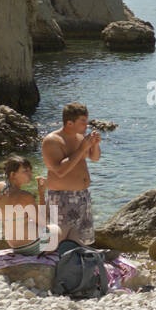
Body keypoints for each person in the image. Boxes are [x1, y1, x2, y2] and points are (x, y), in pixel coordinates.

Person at [40, 102, 100, 245]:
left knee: (83, 242)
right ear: (69, 123)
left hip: (83, 196)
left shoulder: (80, 137)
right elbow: (60, 171)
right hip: (62, 198)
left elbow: (94, 157)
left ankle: (80, 265)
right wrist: (81, 149)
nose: (87, 125)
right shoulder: (52, 141)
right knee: (59, 242)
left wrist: (95, 144)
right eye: (82, 121)